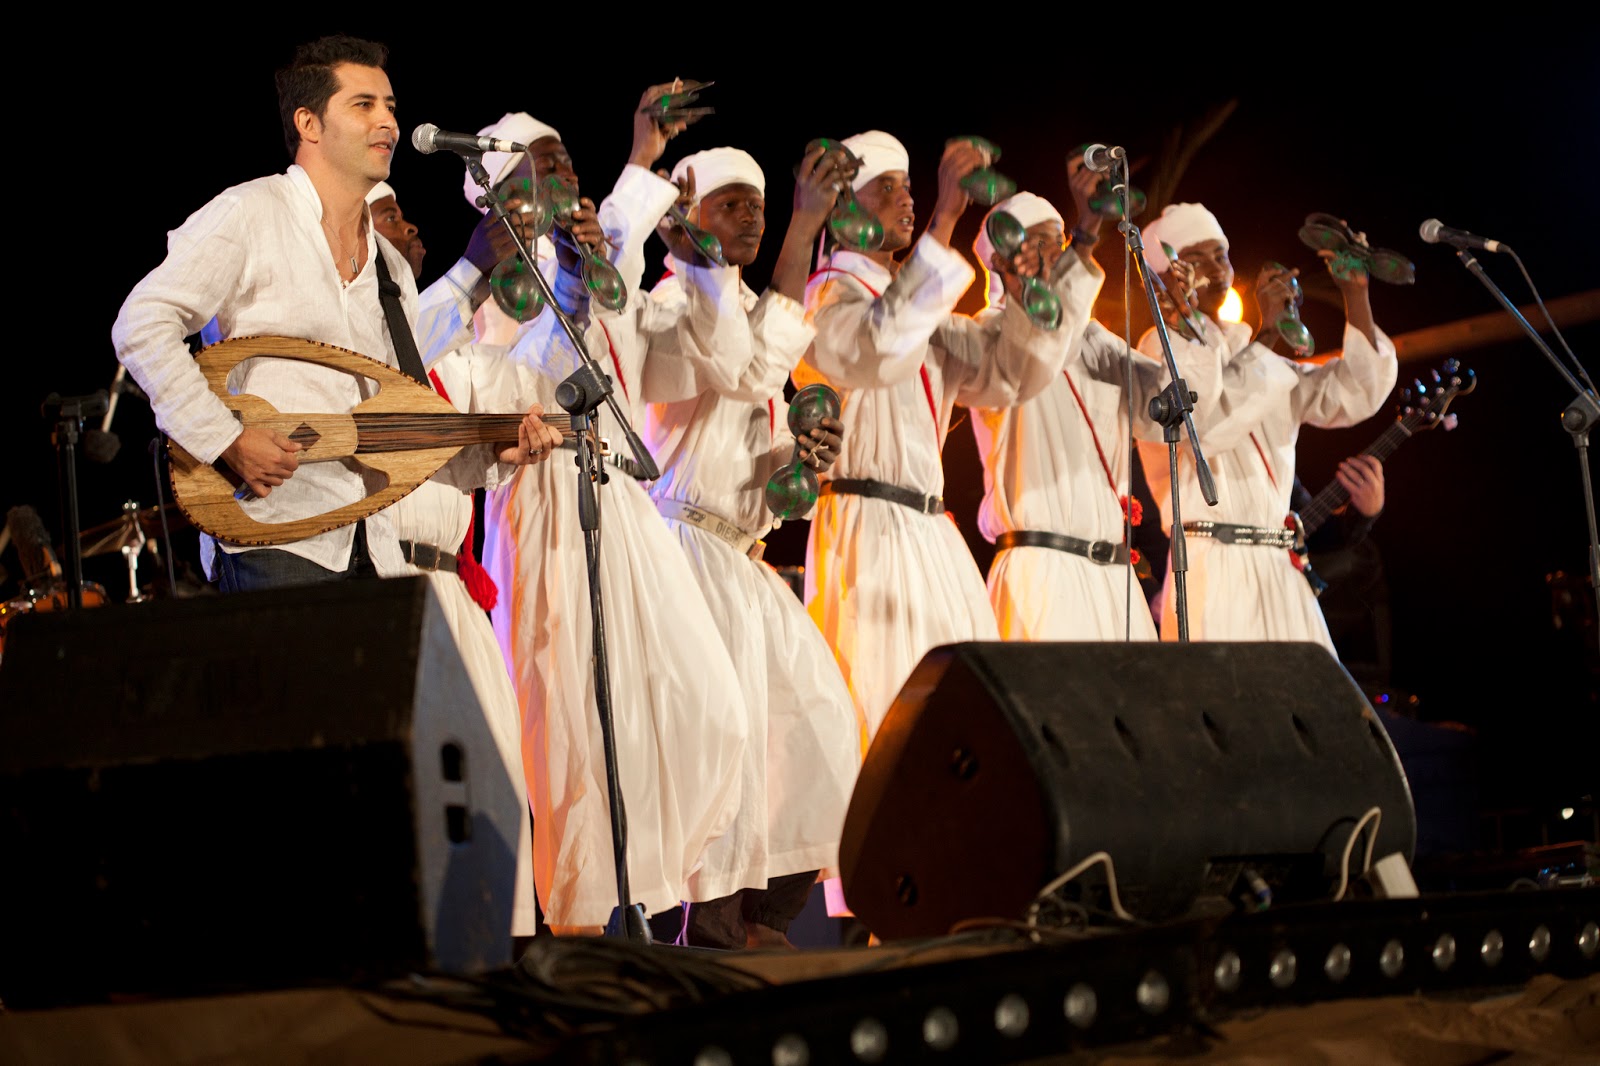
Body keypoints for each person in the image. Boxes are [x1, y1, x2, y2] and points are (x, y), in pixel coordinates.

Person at [452, 97, 755, 937]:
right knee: (583, 717)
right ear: (506, 187)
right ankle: (589, 924)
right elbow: (513, 393)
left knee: (699, 703)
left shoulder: (589, 265)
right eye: (549, 164)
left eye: (567, 160)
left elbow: (679, 367)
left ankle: (644, 898)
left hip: (624, 497)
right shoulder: (499, 283)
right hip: (550, 496)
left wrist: (690, 257)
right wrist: (585, 276)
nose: (568, 174)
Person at [110, 35, 562, 593]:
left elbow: (397, 427)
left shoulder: (391, 271)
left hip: (374, 541)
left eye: (391, 107)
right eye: (364, 105)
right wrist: (225, 438)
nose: (389, 124)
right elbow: (140, 324)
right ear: (309, 123)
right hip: (271, 535)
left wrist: (495, 453)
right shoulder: (250, 214)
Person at [793, 130, 1100, 741]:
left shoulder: (921, 314)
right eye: (888, 188)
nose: (907, 199)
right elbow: (878, 347)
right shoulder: (828, 295)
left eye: (911, 187)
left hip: (934, 537)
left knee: (966, 728)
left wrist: (1063, 259)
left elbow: (1014, 375)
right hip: (867, 538)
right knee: (883, 723)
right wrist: (947, 217)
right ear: (845, 208)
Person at [642, 144, 862, 948]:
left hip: (741, 559)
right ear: (686, 220)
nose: (750, 216)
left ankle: (758, 917)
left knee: (822, 726)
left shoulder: (755, 334)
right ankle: (701, 927)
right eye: (729, 204)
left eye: (759, 206)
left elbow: (759, 466)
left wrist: (799, 465)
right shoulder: (670, 310)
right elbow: (741, 364)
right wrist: (806, 224)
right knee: (721, 750)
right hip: (680, 554)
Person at [366, 178, 538, 941]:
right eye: (387, 215)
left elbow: (470, 449)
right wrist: (472, 270)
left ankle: (497, 953)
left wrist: (508, 443)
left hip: (455, 597)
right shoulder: (347, 338)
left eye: (406, 212)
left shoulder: (447, 347)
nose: (412, 229)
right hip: (390, 590)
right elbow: (385, 376)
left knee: (493, 784)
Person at [1135, 202, 1398, 651]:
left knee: (1316, 711)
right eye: (1200, 258)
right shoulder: (1158, 347)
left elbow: (1353, 393)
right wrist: (1268, 335)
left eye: (1222, 255)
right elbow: (1206, 427)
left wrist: (1355, 293)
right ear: (1171, 274)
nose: (1219, 267)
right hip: (1214, 567)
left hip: (1282, 567)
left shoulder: (1252, 348)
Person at [969, 155, 1167, 642]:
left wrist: (1181, 328)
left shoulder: (1098, 339)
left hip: (1116, 583)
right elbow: (1039, 342)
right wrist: (1087, 229)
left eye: (1058, 241)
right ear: (998, 259)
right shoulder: (992, 334)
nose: (1056, 252)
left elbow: (1162, 414)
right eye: (1038, 242)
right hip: (1044, 573)